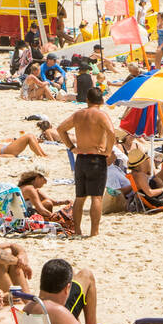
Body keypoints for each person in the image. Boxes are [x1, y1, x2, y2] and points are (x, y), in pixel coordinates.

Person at [56, 87, 117, 238]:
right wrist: (108, 151)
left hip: (81, 158)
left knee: (80, 197)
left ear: (87, 100)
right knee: (96, 197)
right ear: (101, 101)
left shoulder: (78, 114)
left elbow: (60, 129)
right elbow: (111, 132)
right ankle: (94, 232)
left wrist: (71, 147)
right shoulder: (101, 115)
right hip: (96, 158)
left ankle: (77, 231)